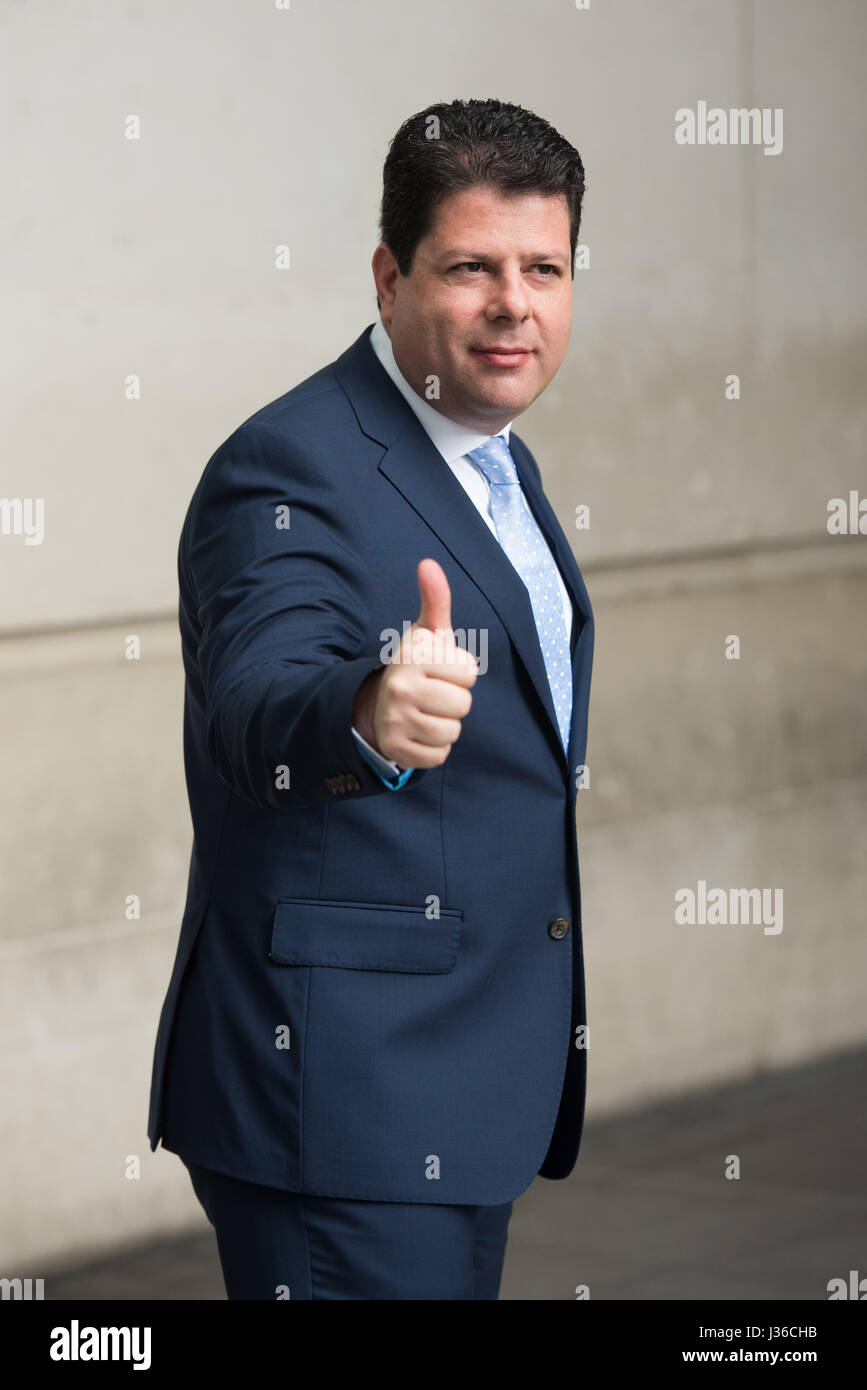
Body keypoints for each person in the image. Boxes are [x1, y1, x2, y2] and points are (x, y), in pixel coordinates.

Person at [147, 96, 594, 1301]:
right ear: (390, 276)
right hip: (343, 1099)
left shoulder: (491, 451)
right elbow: (256, 699)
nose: (516, 303)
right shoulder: (291, 464)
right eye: (471, 268)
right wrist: (365, 714)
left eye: (543, 267)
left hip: (457, 1082)